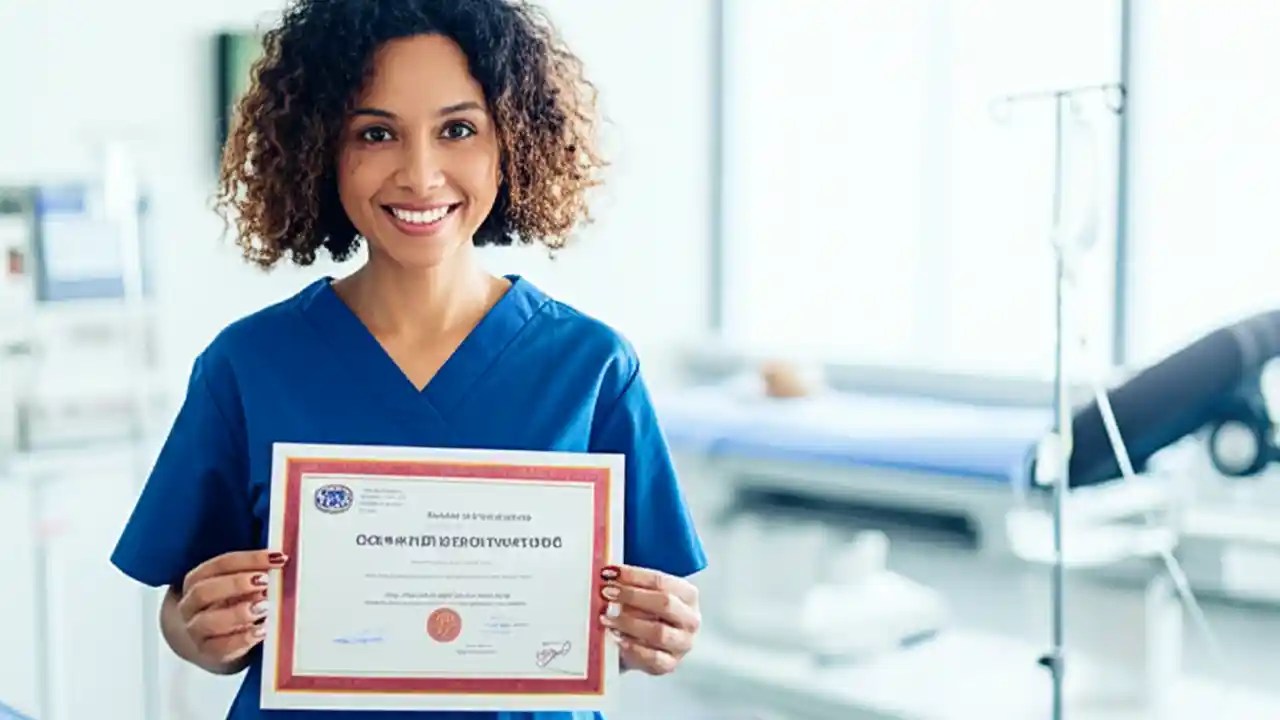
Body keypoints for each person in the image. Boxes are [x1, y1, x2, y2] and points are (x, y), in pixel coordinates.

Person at [109, 0, 706, 717]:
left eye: (457, 130)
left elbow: (639, 615)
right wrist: (202, 633)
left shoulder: (591, 367)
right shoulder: (247, 365)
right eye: (376, 133)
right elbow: (181, 606)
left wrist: (660, 633)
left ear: (513, 141)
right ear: (320, 146)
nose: (421, 175)